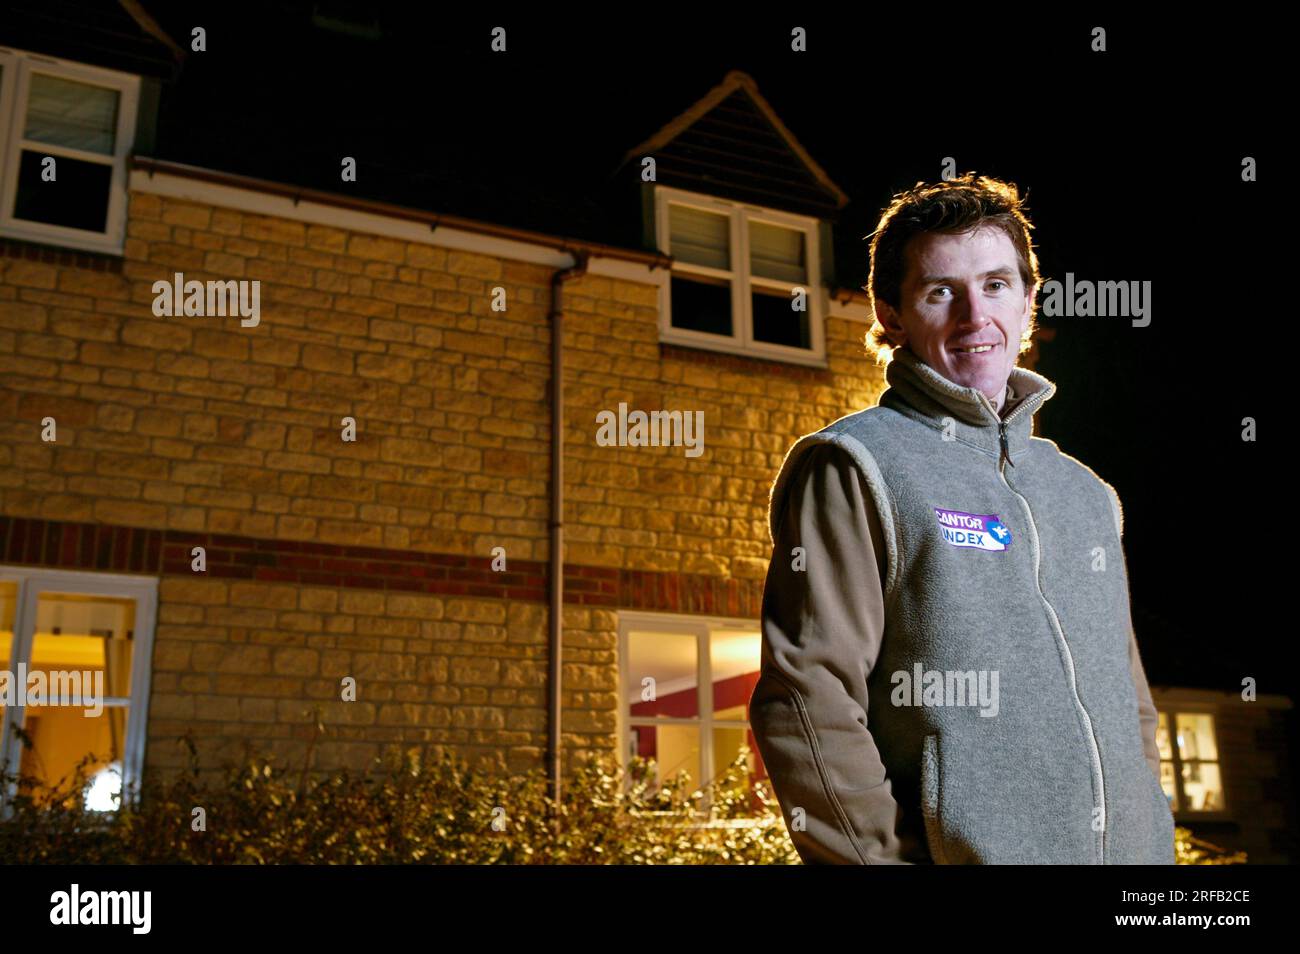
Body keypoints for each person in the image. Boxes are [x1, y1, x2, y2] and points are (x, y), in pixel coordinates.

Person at [748, 174, 1174, 864]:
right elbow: (806, 702)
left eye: (998, 285)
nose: (976, 316)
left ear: (1029, 302)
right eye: (941, 291)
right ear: (891, 314)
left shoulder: (1085, 494)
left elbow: (1133, 710)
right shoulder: (855, 466)